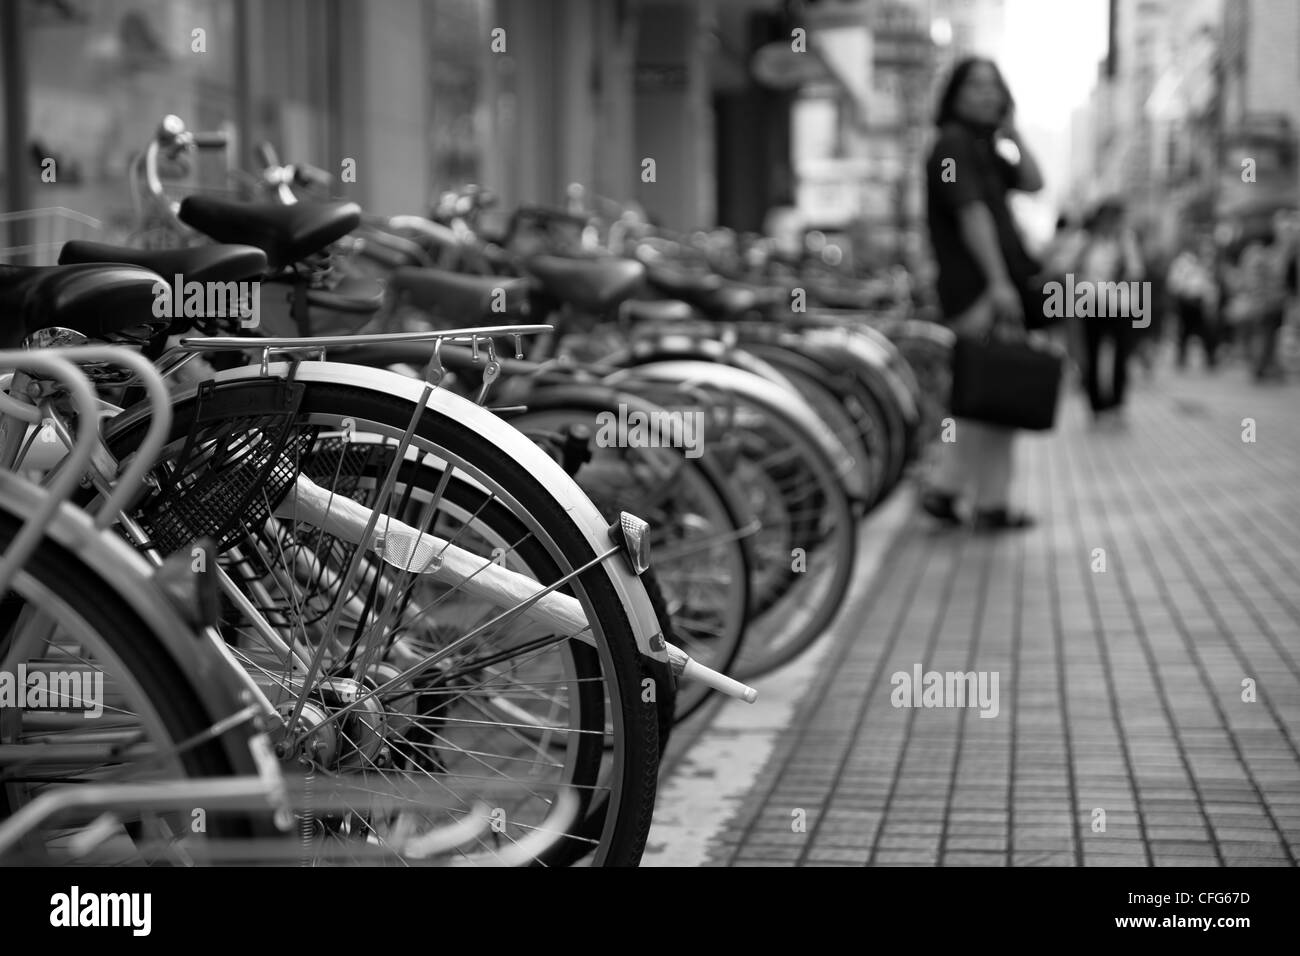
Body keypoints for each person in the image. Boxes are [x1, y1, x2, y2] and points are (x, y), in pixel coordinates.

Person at [920, 56, 1044, 532]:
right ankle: (949, 490)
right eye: (976, 86)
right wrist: (997, 283)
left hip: (992, 287)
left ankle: (983, 500)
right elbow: (971, 214)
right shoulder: (951, 146)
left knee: (996, 394)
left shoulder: (984, 147)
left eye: (995, 87)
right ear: (953, 94)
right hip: (976, 290)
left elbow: (1034, 182)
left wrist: (1012, 133)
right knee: (981, 393)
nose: (987, 94)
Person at [1076, 200, 1143, 425]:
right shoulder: (1086, 241)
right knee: (1092, 354)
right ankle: (1096, 406)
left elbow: (1136, 271)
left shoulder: (1126, 241)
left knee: (1121, 356)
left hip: (1120, 305)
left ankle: (1117, 404)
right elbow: (1070, 267)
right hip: (1091, 303)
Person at [1167, 235, 1220, 370]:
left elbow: (1210, 284)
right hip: (1185, 301)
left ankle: (1210, 357)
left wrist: (1210, 299)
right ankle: (1181, 358)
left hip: (1200, 302)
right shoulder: (1183, 262)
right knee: (1183, 332)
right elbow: (1174, 282)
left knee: (1206, 331)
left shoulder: (1206, 262)